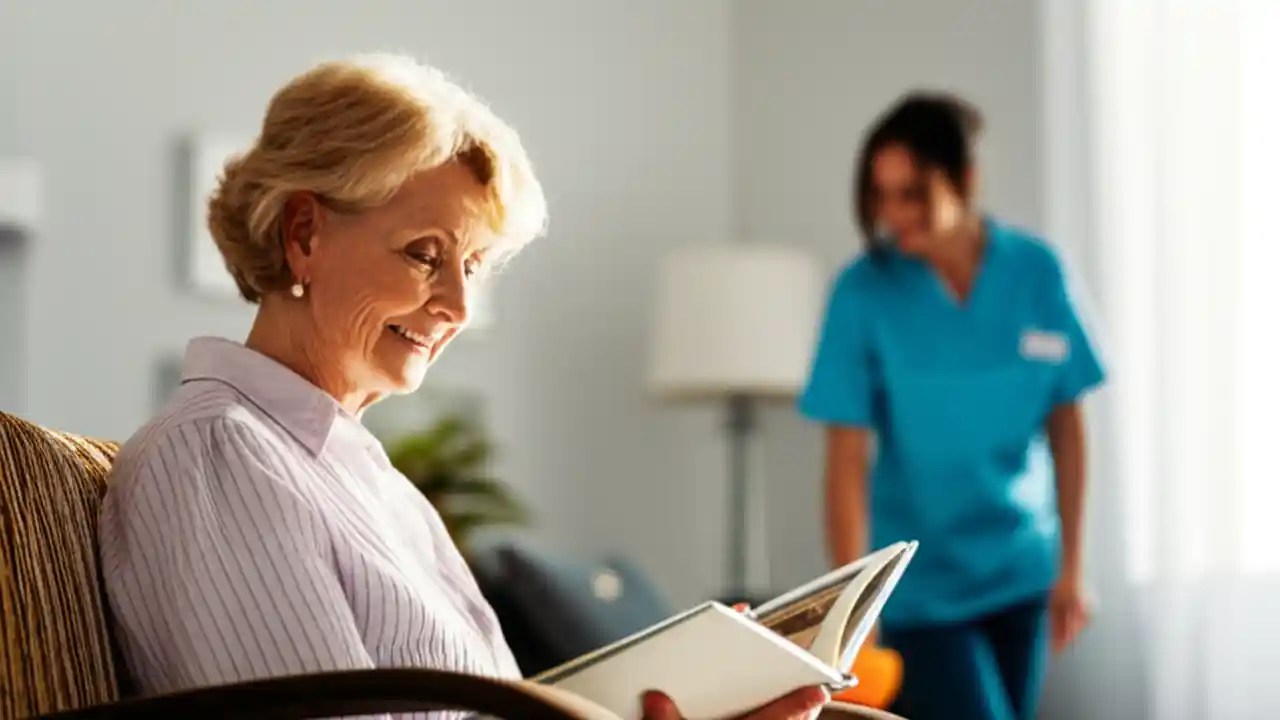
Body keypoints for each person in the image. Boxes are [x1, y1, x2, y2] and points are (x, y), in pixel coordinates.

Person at [99, 55, 826, 720]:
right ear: (304, 235)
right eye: (425, 255)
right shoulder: (216, 455)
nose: (458, 305)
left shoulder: (374, 486)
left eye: (473, 266)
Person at [799, 93, 1105, 720]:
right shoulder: (863, 294)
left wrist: (1073, 566)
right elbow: (845, 467)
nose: (892, 214)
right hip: (920, 590)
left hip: (1021, 568)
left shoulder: (1037, 272)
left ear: (965, 180)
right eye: (880, 195)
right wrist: (856, 610)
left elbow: (1068, 429)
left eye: (911, 193)